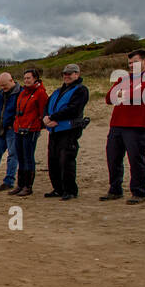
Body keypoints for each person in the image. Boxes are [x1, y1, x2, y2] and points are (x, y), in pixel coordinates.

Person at [101, 49, 145, 204]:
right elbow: (109, 97)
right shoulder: (124, 78)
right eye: (130, 63)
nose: (132, 66)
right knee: (113, 158)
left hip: (137, 125)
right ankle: (115, 189)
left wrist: (122, 94)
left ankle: (138, 192)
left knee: (136, 159)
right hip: (117, 123)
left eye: (135, 62)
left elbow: (142, 95)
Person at [42, 63, 89, 200]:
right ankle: (58, 188)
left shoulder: (81, 90)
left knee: (66, 160)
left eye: (70, 73)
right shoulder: (58, 91)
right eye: (65, 74)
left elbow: (74, 109)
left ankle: (70, 190)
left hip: (69, 130)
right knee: (53, 160)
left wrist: (53, 117)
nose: (66, 76)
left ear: (77, 74)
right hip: (54, 130)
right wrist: (46, 118)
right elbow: (47, 105)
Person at [9, 67, 47, 197]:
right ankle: (20, 185)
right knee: (20, 157)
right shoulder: (23, 92)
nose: (26, 80)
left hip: (31, 129)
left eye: (28, 78)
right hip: (19, 128)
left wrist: (37, 125)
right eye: (25, 78)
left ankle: (28, 186)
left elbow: (43, 112)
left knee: (28, 157)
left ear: (35, 78)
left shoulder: (40, 93)